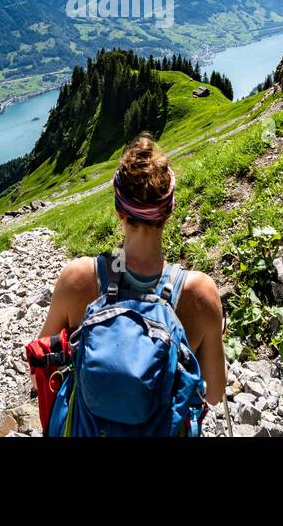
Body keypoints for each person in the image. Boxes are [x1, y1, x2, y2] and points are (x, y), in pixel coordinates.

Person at [37, 133, 227, 415]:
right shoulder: (201, 293)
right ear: (169, 209)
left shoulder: (77, 278)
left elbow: (40, 364)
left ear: (119, 211)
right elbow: (212, 393)